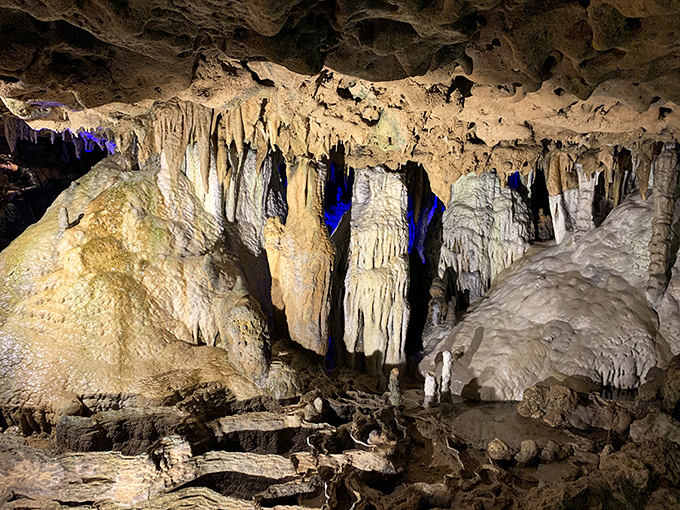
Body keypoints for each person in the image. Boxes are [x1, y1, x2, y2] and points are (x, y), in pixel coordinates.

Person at [1, 154, 41, 239]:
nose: (4, 172)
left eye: (3, 169)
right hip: (20, 206)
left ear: (9, 163)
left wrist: (17, 193)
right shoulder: (12, 177)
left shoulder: (27, 172)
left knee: (11, 208)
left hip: (31, 206)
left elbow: (36, 187)